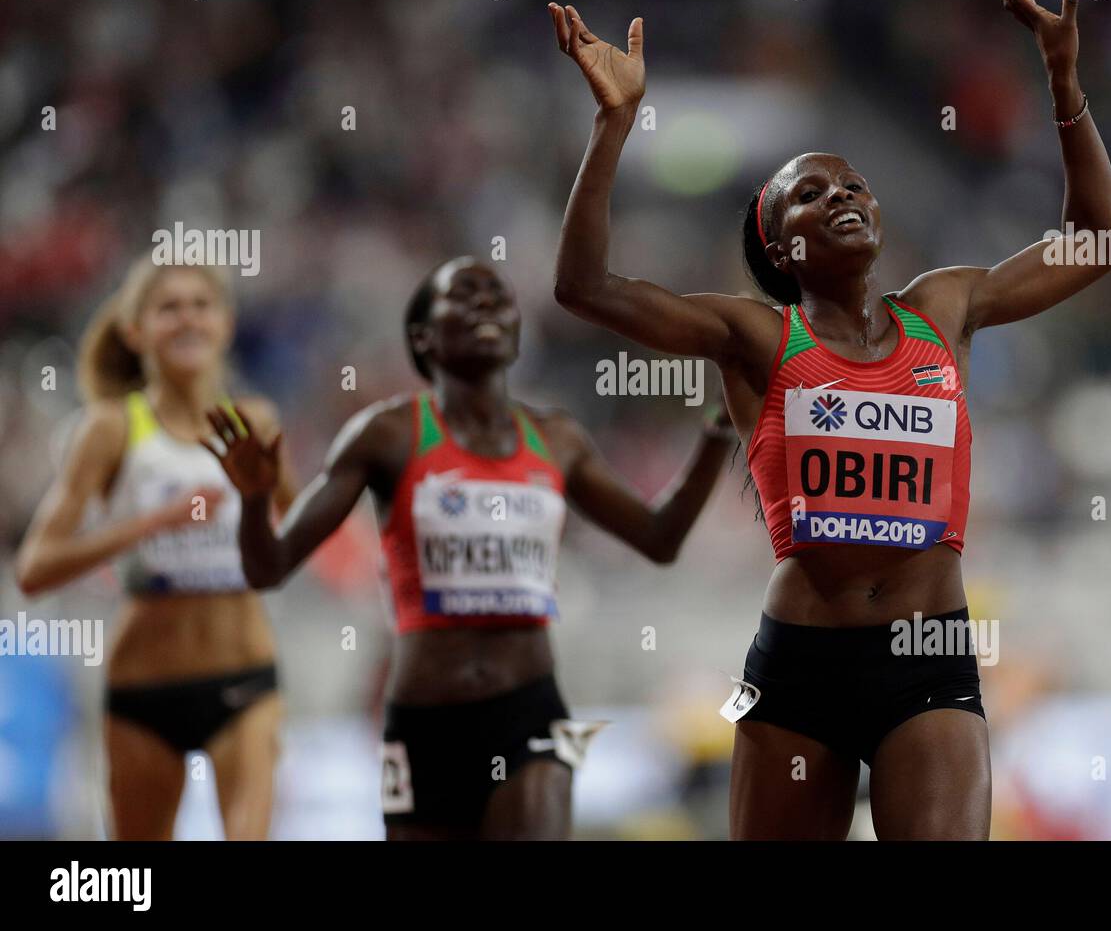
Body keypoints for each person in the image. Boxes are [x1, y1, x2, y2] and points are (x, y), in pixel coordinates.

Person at [548, 0, 1111, 839]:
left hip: (927, 652)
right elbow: (584, 286)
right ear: (782, 246)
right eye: (811, 194)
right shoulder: (756, 337)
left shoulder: (944, 307)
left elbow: (1098, 242)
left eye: (853, 184)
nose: (842, 196)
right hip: (800, 664)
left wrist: (1063, 83)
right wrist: (614, 123)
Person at [204, 256, 736, 839]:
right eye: (465, 294)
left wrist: (717, 430)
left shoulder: (557, 439)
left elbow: (660, 539)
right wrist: (255, 500)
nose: (486, 302)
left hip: (529, 709)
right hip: (425, 719)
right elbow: (270, 566)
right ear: (423, 337)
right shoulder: (388, 435)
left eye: (497, 295)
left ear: (516, 330)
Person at [16, 258, 295, 840]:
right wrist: (151, 524)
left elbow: (300, 541)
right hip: (145, 683)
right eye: (169, 307)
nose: (188, 318)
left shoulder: (257, 422)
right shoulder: (112, 428)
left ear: (226, 322)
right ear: (135, 330)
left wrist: (257, 499)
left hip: (243, 673)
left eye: (202, 305)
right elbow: (35, 568)